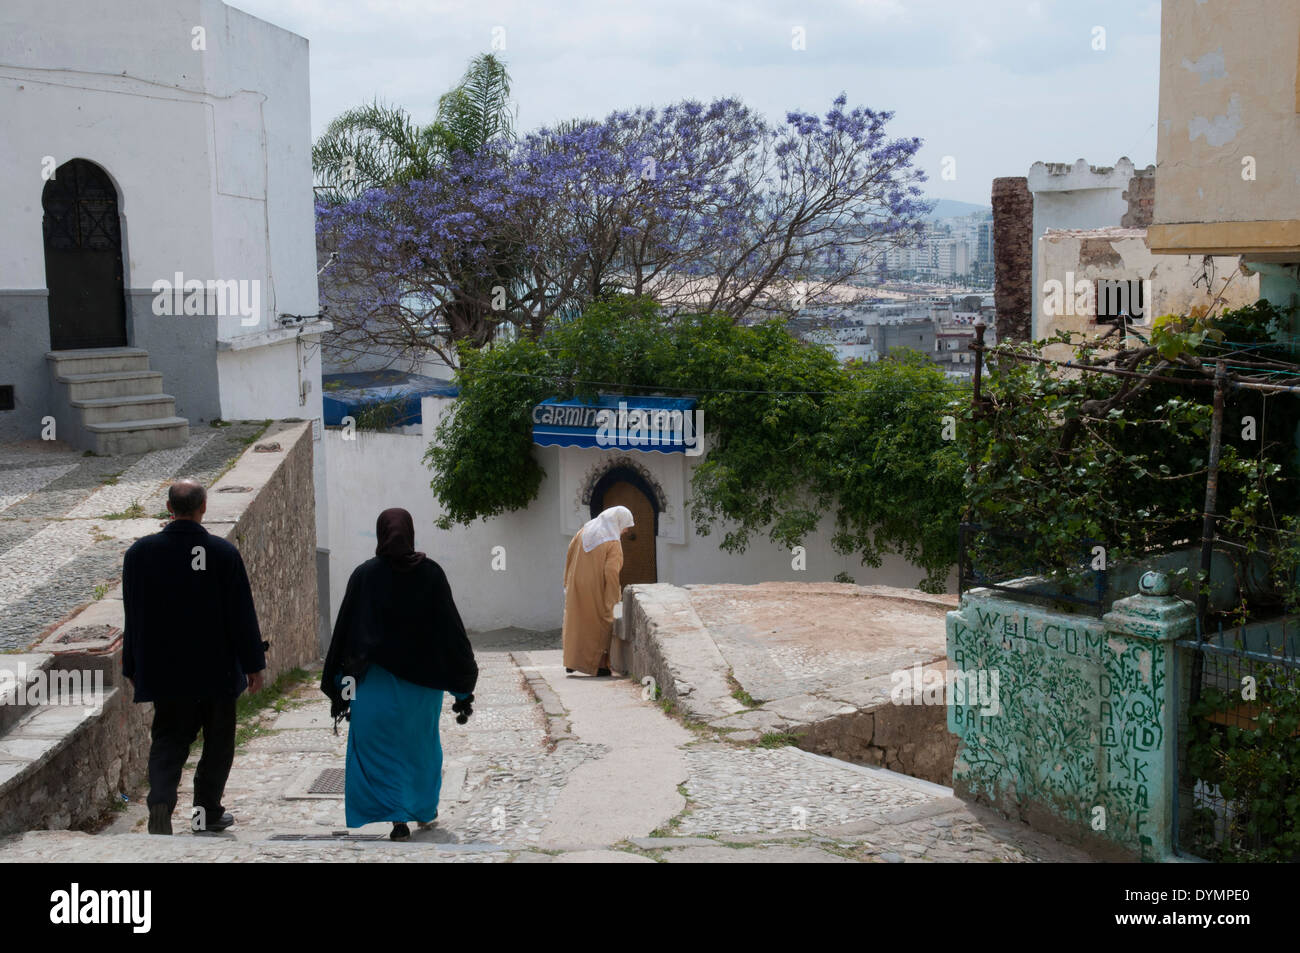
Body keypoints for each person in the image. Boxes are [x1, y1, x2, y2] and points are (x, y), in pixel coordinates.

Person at [322, 508, 478, 841]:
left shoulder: (364, 576)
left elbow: (346, 634)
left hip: (374, 687)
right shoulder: (431, 574)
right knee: (418, 750)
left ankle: (396, 819)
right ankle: (420, 809)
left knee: (376, 751)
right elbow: (451, 631)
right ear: (411, 533)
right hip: (422, 689)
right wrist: (462, 686)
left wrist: (340, 683)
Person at [122, 479, 266, 836]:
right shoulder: (222, 554)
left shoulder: (139, 554)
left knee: (169, 738)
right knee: (218, 743)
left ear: (169, 509)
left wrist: (131, 665)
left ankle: (160, 800)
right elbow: (241, 615)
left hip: (166, 671)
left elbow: (133, 615)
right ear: (203, 508)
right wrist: (253, 665)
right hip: (215, 671)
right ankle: (206, 813)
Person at [562, 505, 634, 677]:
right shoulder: (613, 542)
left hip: (575, 585)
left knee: (576, 621)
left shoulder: (583, 531)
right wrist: (613, 598)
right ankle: (599, 666)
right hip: (596, 588)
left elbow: (569, 554)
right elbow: (611, 572)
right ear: (618, 522)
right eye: (625, 526)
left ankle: (572, 662)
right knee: (602, 623)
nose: (625, 531)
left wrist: (567, 582)